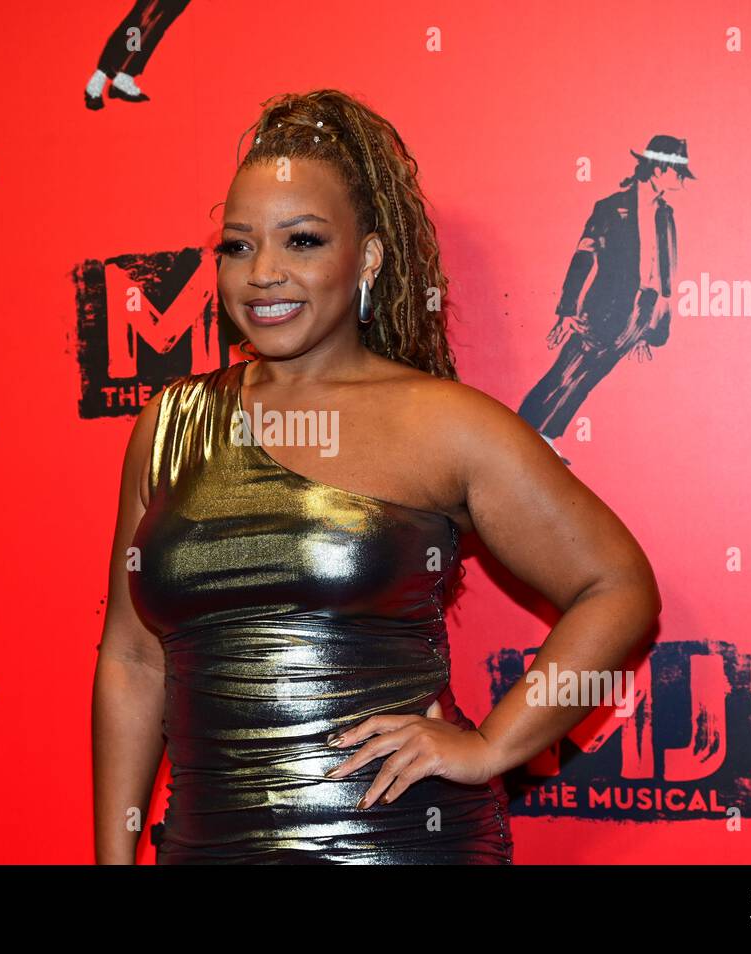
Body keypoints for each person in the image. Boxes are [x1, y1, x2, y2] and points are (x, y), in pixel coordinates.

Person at [92, 90, 661, 864]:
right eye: (237, 245)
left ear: (367, 259)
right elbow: (132, 661)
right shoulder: (169, 425)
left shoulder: (443, 422)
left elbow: (618, 587)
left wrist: (493, 744)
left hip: (399, 845)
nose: (264, 274)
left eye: (302, 242)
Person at [518, 135, 694, 464]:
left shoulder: (665, 214)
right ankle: (519, 437)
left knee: (589, 378)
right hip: (605, 308)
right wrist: (568, 309)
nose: (682, 178)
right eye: (678, 171)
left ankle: (547, 439)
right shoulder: (612, 207)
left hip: (641, 312)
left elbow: (665, 274)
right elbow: (583, 256)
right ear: (658, 169)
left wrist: (651, 327)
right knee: (566, 371)